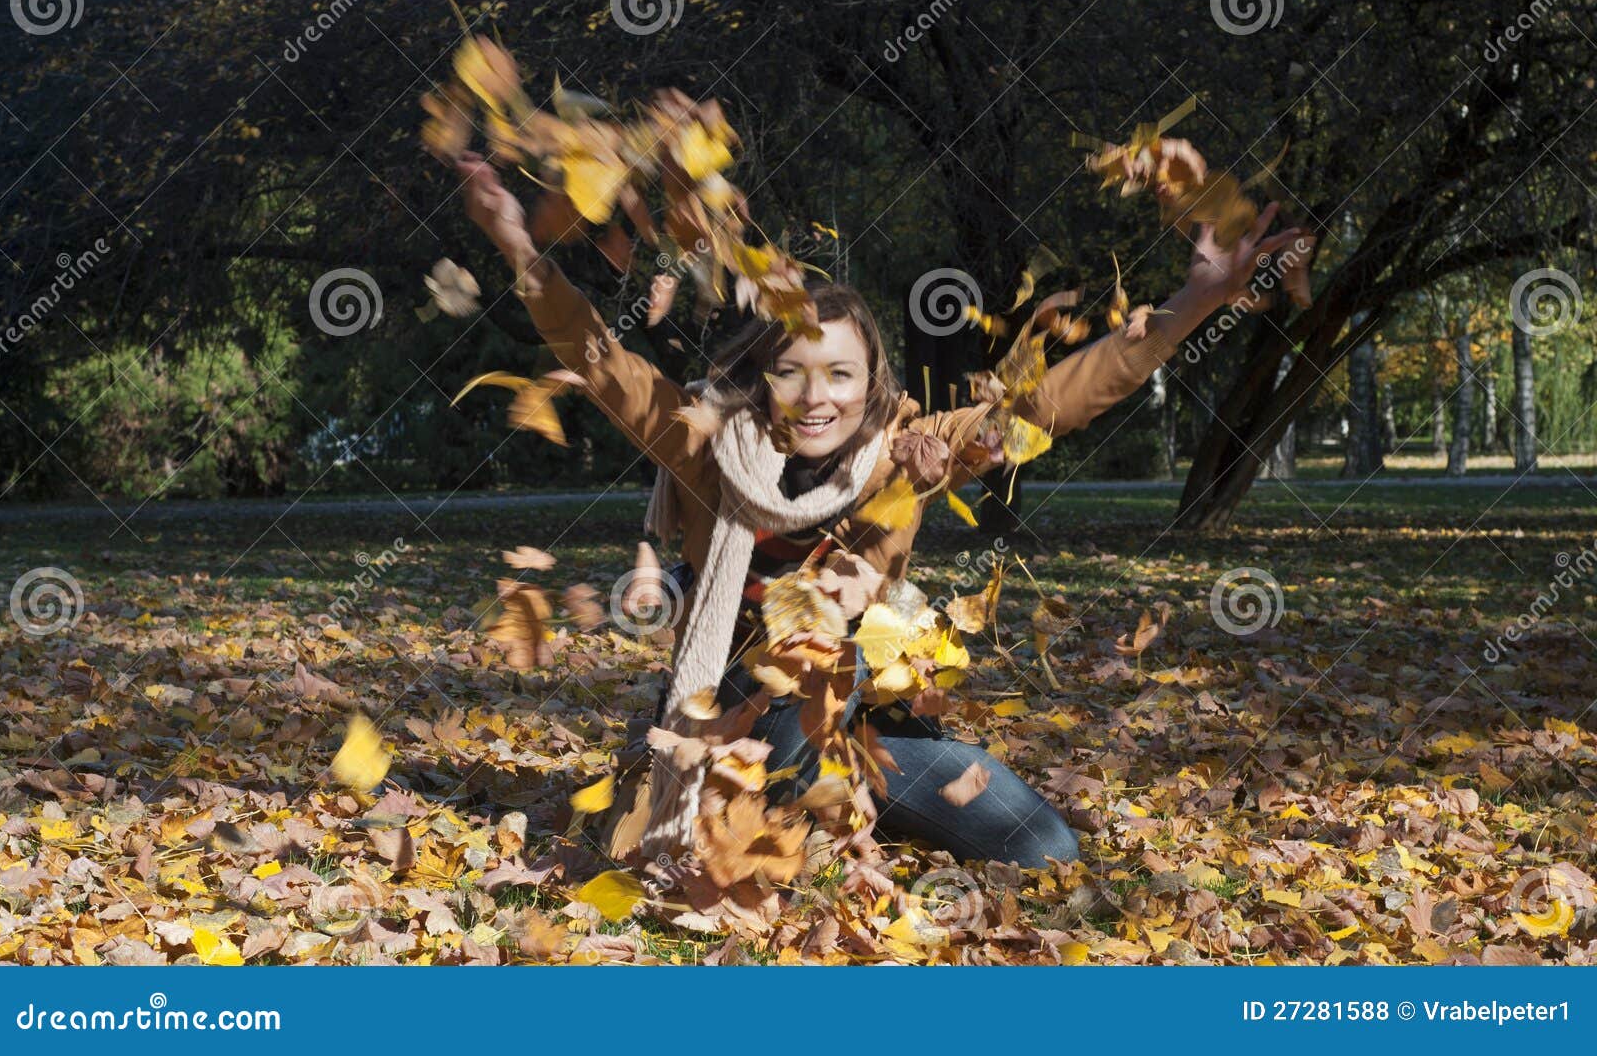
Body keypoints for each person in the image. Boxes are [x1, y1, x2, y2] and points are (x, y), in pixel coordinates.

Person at [454, 151, 1309, 869]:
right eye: (794, 372)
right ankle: (732, 790)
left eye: (841, 374)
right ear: (765, 378)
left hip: (859, 718)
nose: (817, 397)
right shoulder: (708, 446)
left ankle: (830, 790)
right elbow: (600, 360)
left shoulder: (910, 448)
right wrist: (519, 245)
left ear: (872, 384)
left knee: (1044, 846)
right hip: (733, 703)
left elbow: (1044, 408)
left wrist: (1195, 303)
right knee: (689, 842)